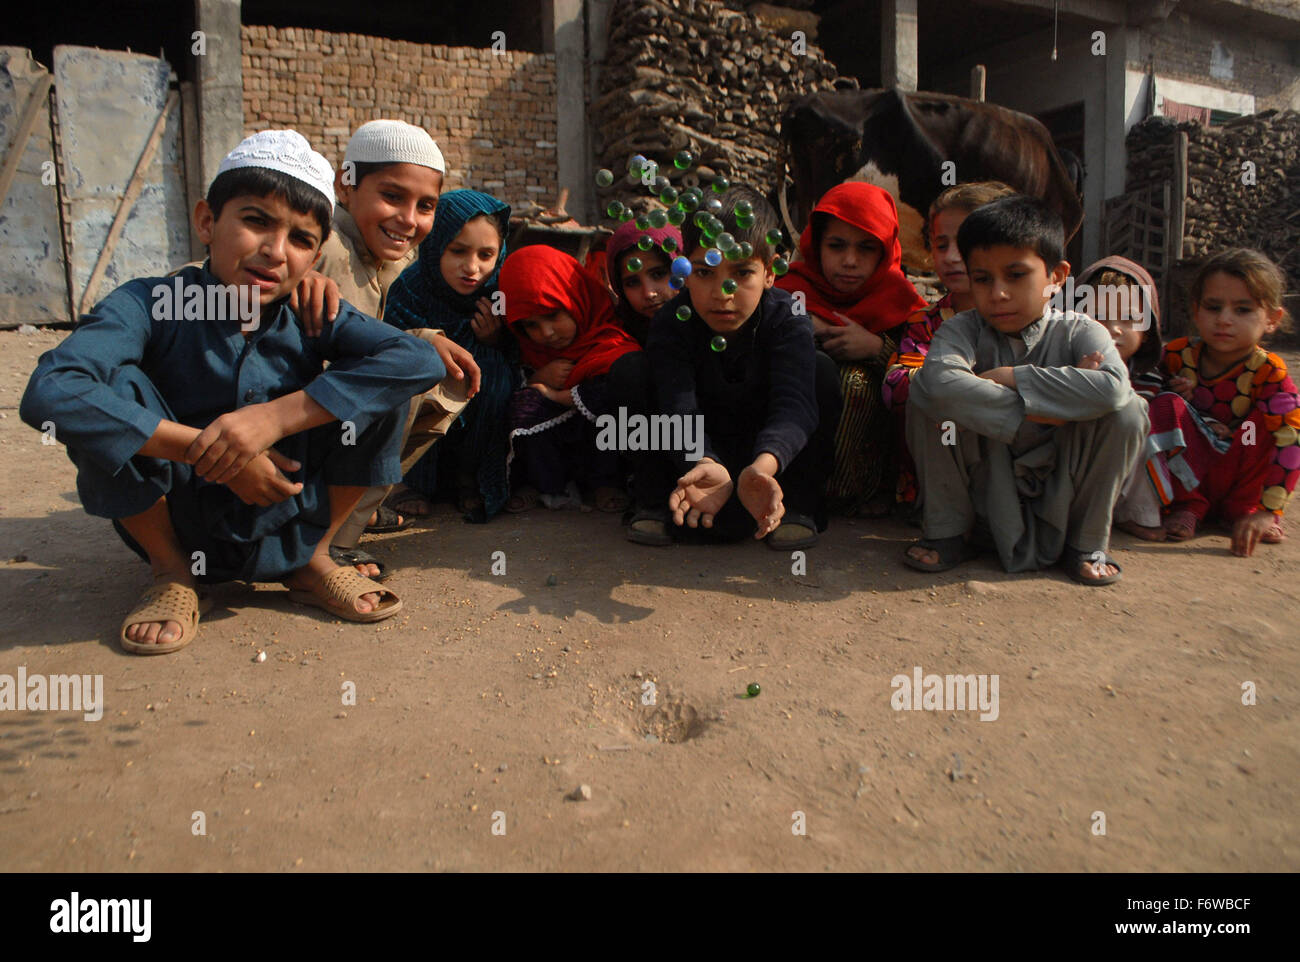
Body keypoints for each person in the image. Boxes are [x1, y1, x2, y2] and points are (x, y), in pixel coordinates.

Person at [19, 129, 445, 653]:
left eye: (300, 239)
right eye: (255, 221)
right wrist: (210, 452)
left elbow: (418, 361)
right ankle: (172, 575)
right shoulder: (149, 303)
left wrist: (272, 421)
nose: (274, 251)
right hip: (179, 516)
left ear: (314, 258)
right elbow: (51, 391)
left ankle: (315, 558)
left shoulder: (311, 311)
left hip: (286, 508)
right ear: (207, 221)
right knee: (109, 385)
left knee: (379, 384)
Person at [903, 194, 1148, 585]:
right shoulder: (961, 329)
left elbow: (1114, 390)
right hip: (986, 491)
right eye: (982, 279)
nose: (998, 293)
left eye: (1016, 275)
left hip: (1061, 488)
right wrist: (1048, 412)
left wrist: (1010, 377)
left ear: (1056, 276)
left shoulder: (1082, 331)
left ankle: (1086, 543)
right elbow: (939, 383)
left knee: (1131, 411)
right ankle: (948, 530)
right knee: (924, 397)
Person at [626, 186, 842, 548]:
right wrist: (702, 460)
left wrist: (764, 467)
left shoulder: (788, 318)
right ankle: (654, 501)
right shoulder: (672, 321)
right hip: (696, 458)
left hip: (765, 458)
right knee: (631, 373)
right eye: (704, 273)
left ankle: (797, 507)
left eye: (742, 273)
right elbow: (677, 404)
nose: (722, 293)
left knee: (821, 374)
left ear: (770, 273)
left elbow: (795, 407)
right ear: (685, 271)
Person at [313, 120, 480, 572]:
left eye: (425, 205)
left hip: (326, 418)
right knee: (403, 378)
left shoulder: (390, 256)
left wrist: (426, 338)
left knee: (444, 375)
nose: (409, 219)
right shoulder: (324, 248)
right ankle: (331, 542)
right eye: (392, 196)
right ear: (345, 186)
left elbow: (369, 334)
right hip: (294, 419)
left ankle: (349, 511)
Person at [776, 182, 928, 516]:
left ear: (886, 250)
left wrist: (878, 348)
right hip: (787, 442)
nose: (849, 261)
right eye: (836, 245)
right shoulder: (789, 291)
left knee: (853, 383)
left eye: (866, 248)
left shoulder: (900, 301)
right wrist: (803, 328)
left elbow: (926, 373)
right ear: (817, 246)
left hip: (871, 455)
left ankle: (847, 494)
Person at [1147, 248, 1297, 555]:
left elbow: (1292, 441)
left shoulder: (1269, 372)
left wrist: (1269, 509)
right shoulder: (1175, 356)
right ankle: (1188, 505)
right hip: (1193, 471)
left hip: (1243, 461)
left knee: (1266, 426)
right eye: (1213, 307)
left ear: (1272, 319)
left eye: (1243, 310)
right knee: (1164, 405)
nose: (1224, 320)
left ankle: (1248, 510)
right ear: (1196, 311)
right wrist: (1172, 393)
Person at [384, 190, 516, 523]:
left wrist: (496, 339)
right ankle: (409, 481)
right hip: (423, 410)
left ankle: (469, 477)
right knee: (425, 370)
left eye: (486, 254)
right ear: (436, 244)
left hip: (473, 419)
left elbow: (523, 351)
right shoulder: (410, 290)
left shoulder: (500, 292)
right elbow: (385, 351)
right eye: (458, 251)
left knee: (494, 372)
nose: (472, 268)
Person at [883, 181, 1017, 507]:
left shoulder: (1023, 321)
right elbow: (896, 384)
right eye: (941, 245)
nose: (952, 257)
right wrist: (975, 383)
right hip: (945, 456)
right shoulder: (925, 322)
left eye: (967, 244)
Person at [499, 245, 641, 512]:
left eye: (553, 315)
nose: (547, 333)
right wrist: (538, 379)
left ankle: (607, 483)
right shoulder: (528, 350)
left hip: (603, 449)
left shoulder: (610, 337)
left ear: (576, 298)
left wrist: (556, 395)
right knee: (524, 403)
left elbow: (619, 386)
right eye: (531, 325)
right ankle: (544, 485)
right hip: (561, 447)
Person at [1074, 256, 1167, 541]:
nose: (1112, 329)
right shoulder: (1065, 364)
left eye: (1128, 319)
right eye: (1098, 318)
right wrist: (1079, 381)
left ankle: (1136, 512)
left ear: (1148, 331)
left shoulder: (1150, 378)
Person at [603, 220, 683, 346]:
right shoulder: (614, 345)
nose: (649, 293)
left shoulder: (715, 323)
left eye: (658, 274)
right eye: (632, 283)